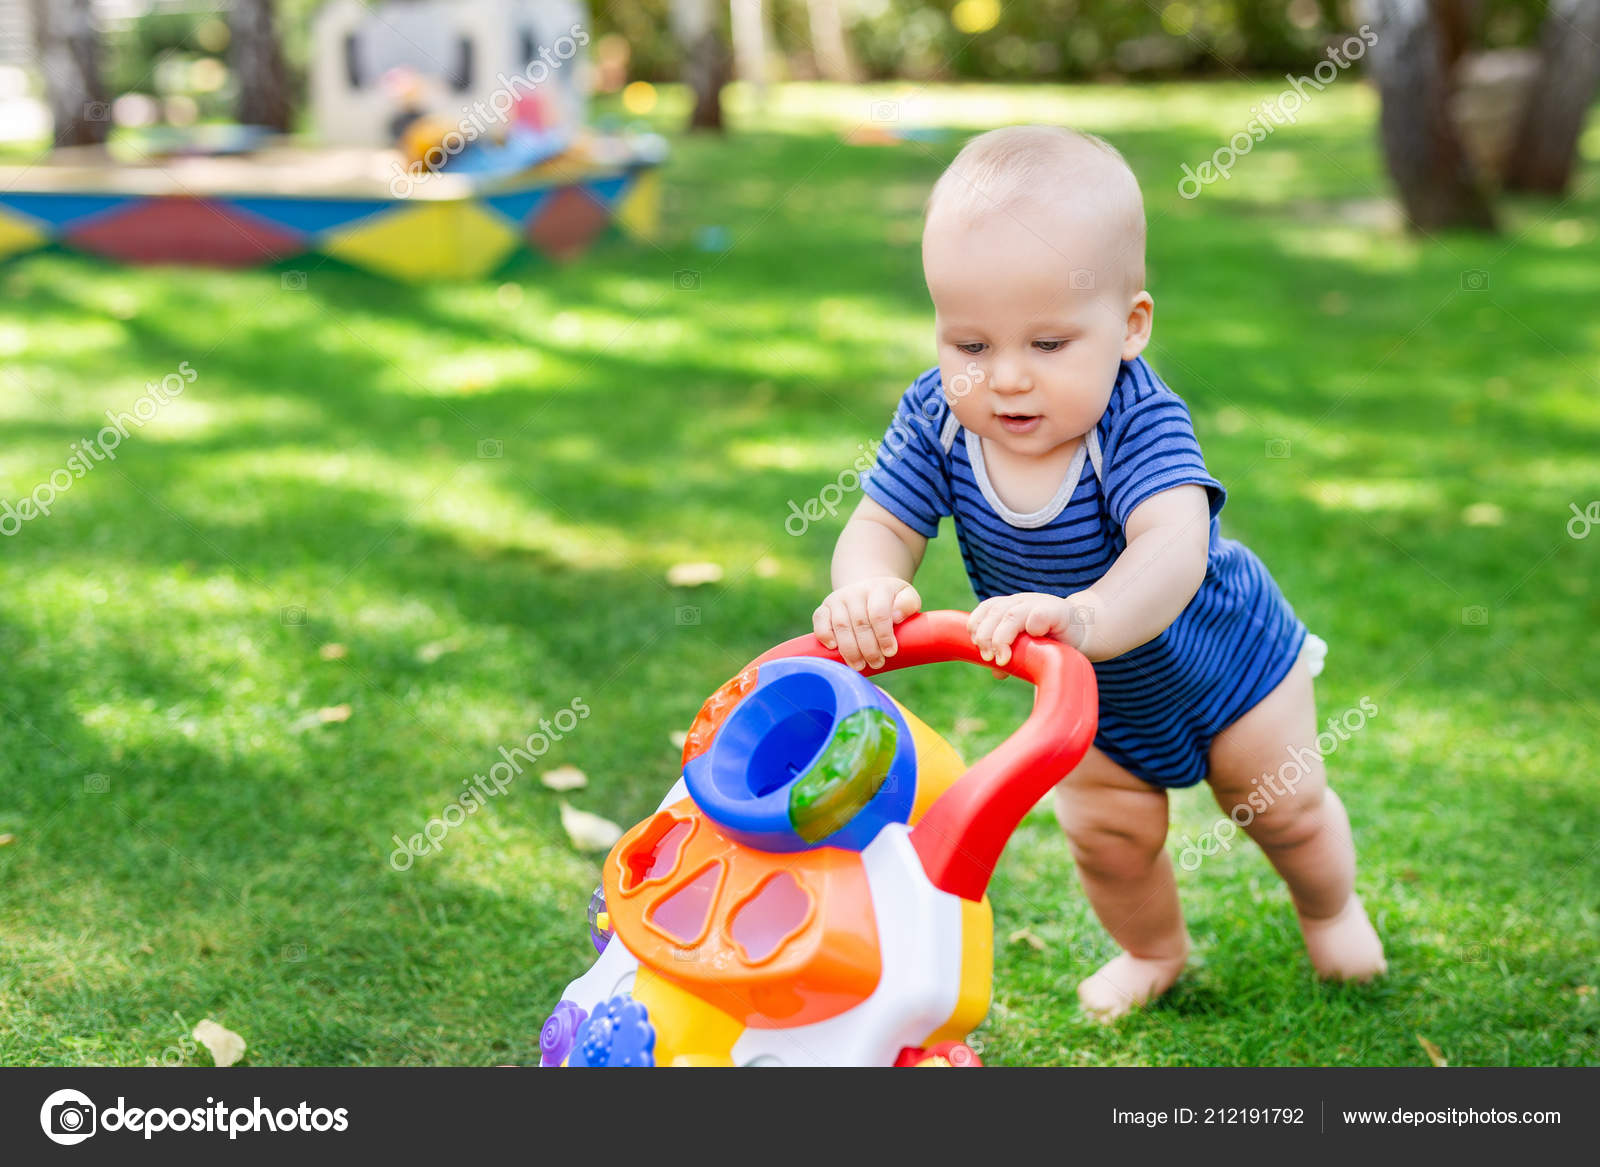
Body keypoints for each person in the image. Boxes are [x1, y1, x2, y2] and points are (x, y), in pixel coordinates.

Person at [812, 125, 1386, 1020]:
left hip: (1229, 663)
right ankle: (1154, 950)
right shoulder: (937, 420)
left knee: (1280, 807)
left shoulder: (1135, 416)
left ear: (1129, 326)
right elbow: (881, 521)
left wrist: (1084, 616)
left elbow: (1173, 547)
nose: (1005, 378)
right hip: (1093, 699)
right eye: (969, 344)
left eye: (1047, 345)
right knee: (1108, 836)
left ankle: (1331, 908)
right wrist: (867, 581)